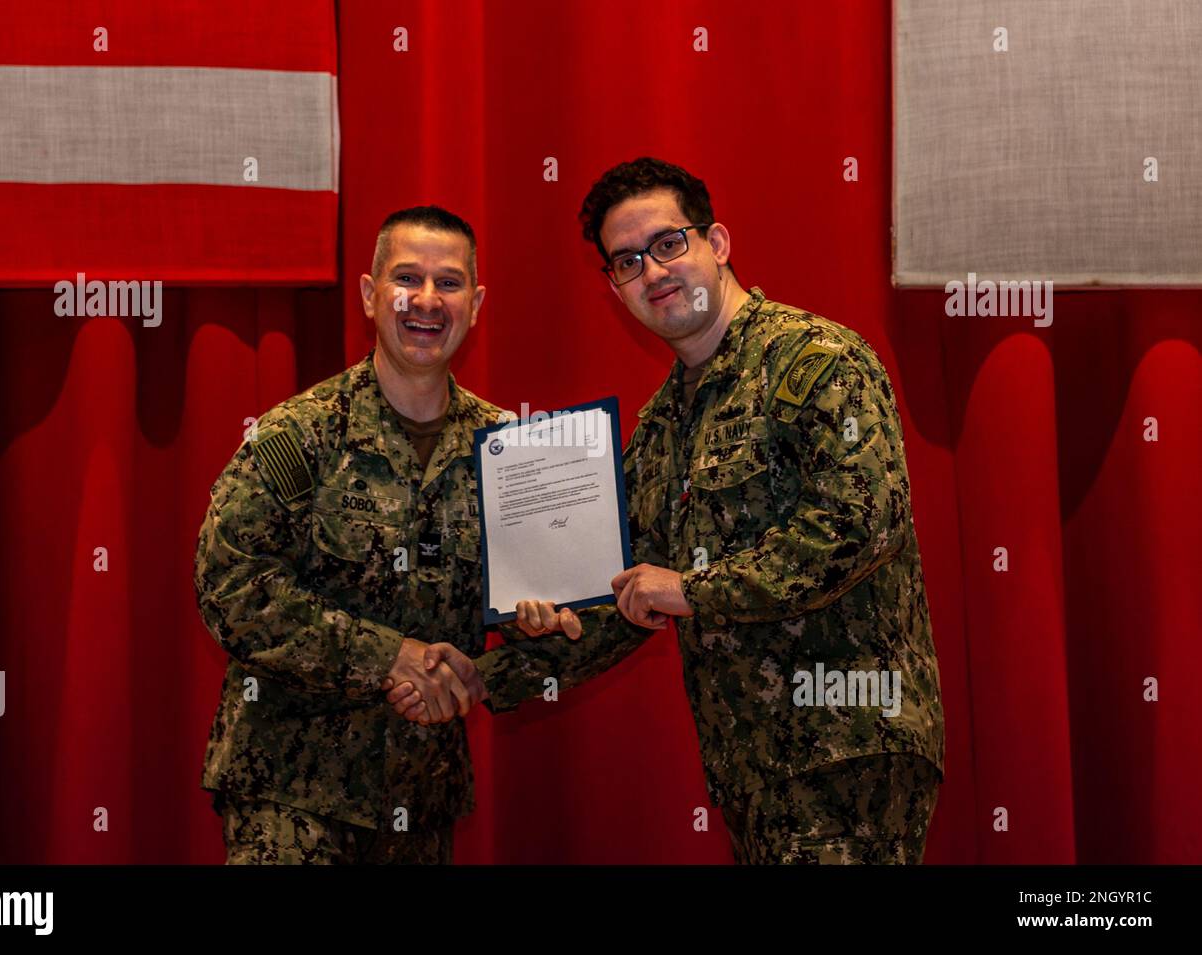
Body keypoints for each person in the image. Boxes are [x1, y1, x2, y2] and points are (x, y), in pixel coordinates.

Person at [390, 158, 946, 864]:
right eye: (626, 261)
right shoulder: (662, 429)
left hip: (851, 746)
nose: (652, 272)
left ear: (717, 243)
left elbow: (859, 523)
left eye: (667, 244)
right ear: (615, 289)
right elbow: (622, 593)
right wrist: (481, 674)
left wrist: (690, 587)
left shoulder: (818, 359)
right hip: (752, 771)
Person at [196, 205, 510, 864]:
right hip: (290, 794)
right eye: (407, 278)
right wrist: (387, 654)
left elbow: (553, 606)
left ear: (475, 304)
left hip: (421, 799)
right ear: (370, 295)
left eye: (449, 283)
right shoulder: (297, 436)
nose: (427, 299)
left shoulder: (508, 451)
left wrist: (507, 656)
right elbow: (233, 589)